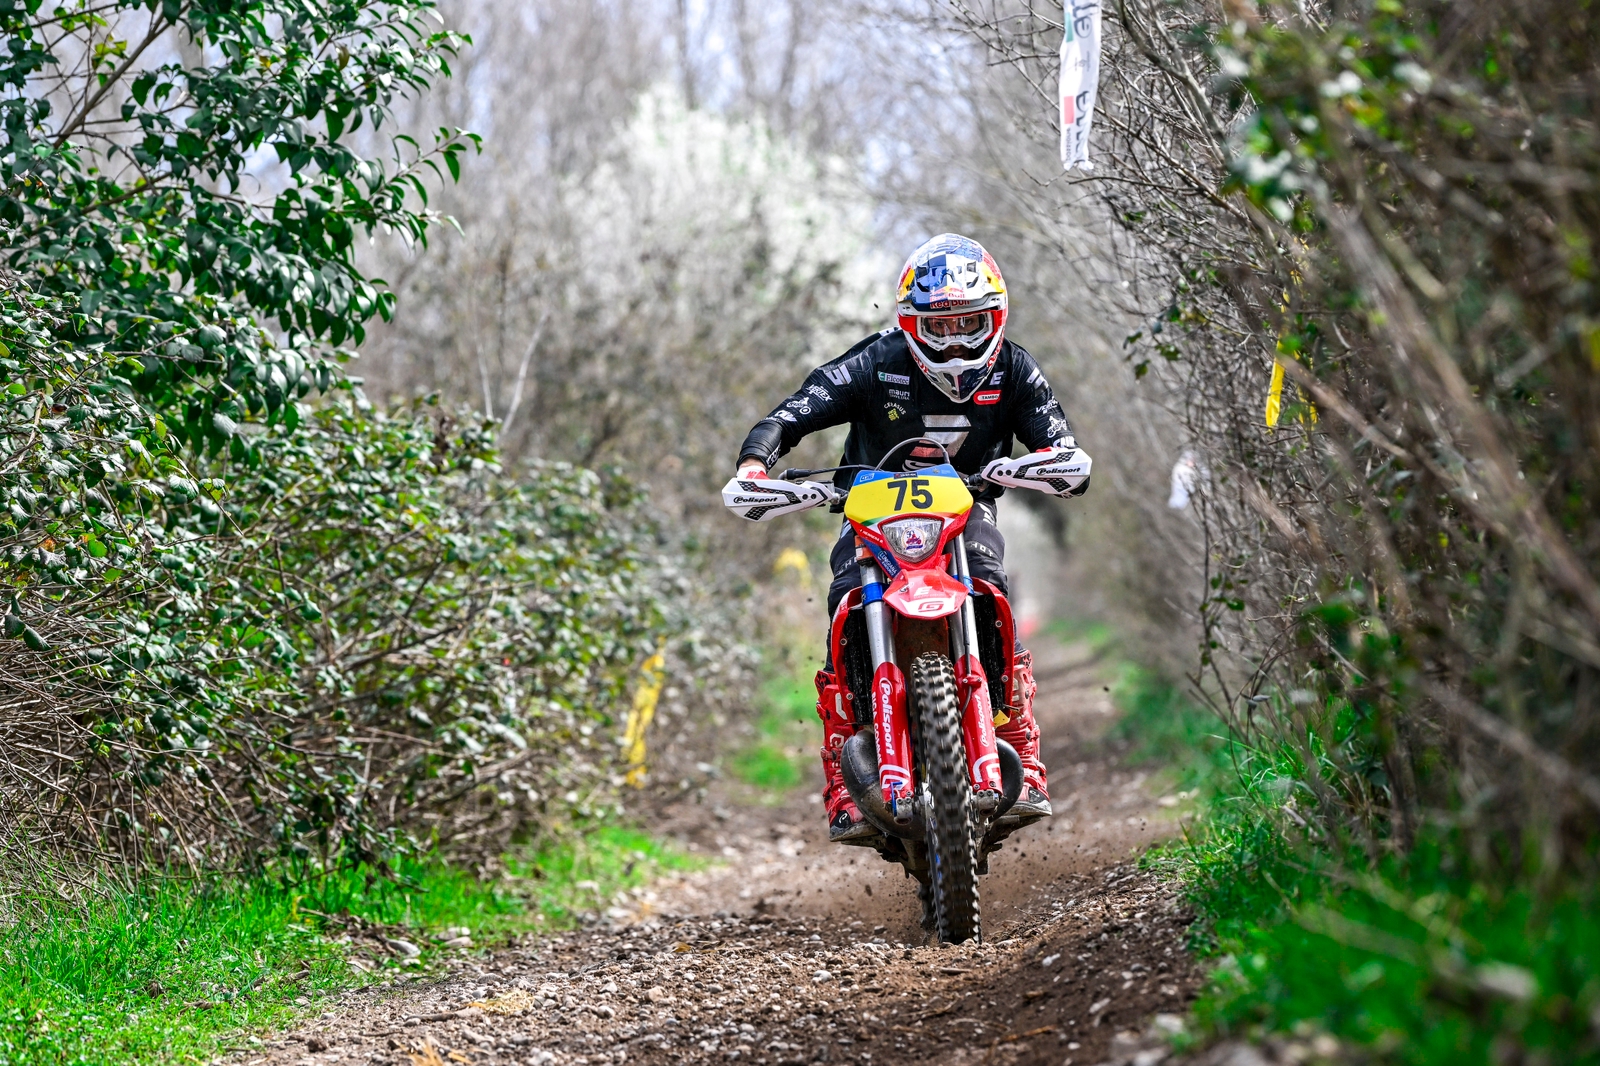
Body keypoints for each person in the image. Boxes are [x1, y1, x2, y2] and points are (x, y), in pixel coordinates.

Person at [734, 233, 1088, 841]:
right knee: (843, 606)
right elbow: (796, 410)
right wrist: (756, 464)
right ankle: (843, 779)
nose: (955, 341)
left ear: (995, 317)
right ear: (910, 322)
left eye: (970, 323)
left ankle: (1021, 755)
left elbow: (1060, 442)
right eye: (939, 327)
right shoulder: (877, 360)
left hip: (966, 509)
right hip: (869, 514)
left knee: (991, 587)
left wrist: (1055, 462)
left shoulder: (1014, 368)